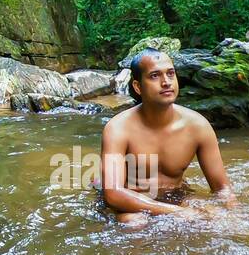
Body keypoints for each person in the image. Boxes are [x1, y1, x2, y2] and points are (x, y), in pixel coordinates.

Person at [99, 48, 238, 226]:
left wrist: (236, 219)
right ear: (138, 87)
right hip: (132, 202)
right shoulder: (118, 128)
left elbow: (222, 188)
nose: (166, 82)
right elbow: (114, 193)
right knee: (134, 222)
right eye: (155, 76)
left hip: (176, 195)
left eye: (170, 74)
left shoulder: (198, 126)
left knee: (214, 214)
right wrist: (176, 212)